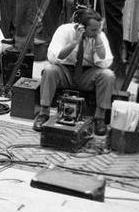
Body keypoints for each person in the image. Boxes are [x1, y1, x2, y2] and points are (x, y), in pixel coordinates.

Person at [35, 8, 114, 136]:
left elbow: (105, 63)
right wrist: (74, 43)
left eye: (98, 29)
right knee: (49, 70)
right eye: (93, 30)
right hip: (65, 71)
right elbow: (53, 57)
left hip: (87, 73)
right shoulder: (64, 30)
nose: (96, 32)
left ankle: (99, 118)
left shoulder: (99, 35)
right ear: (81, 27)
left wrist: (98, 39)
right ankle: (43, 113)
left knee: (107, 75)